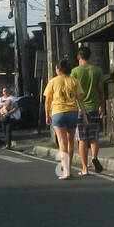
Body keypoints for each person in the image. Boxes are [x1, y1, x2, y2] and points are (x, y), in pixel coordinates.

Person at [43, 57, 89, 180]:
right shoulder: (74, 81)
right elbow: (80, 100)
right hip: (72, 112)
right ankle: (68, 166)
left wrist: (47, 115)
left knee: (62, 142)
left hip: (58, 112)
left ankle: (66, 171)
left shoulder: (53, 81)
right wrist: (84, 116)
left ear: (58, 69)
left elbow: (47, 101)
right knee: (71, 141)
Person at [71, 45, 106, 173]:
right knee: (94, 136)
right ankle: (94, 158)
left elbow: (72, 92)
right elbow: (101, 91)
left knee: (82, 139)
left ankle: (84, 168)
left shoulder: (74, 72)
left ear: (78, 57)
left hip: (79, 110)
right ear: (90, 56)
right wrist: (102, 106)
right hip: (94, 108)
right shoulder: (97, 71)